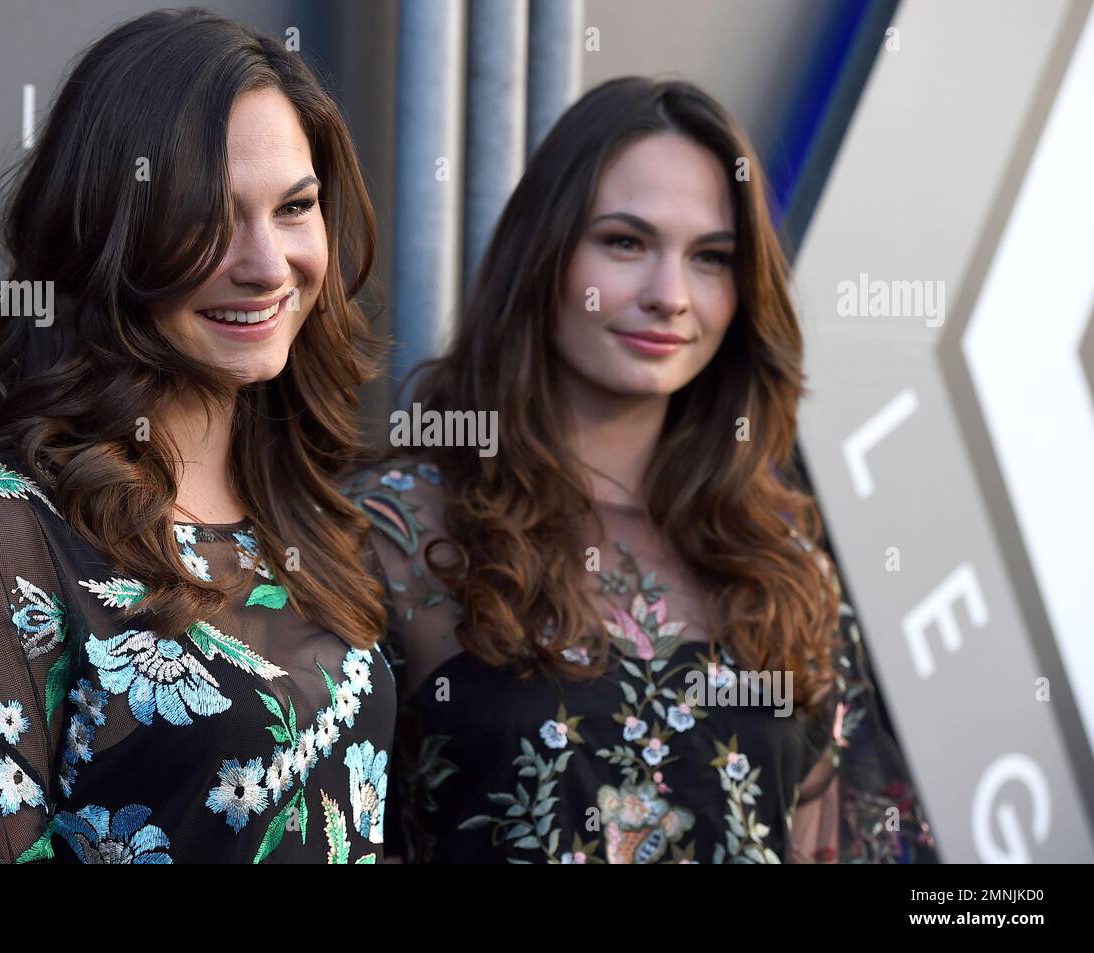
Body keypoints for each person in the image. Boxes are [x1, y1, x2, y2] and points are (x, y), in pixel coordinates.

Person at [0, 9, 393, 864]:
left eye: (295, 207)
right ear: (106, 232)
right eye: (206, 215)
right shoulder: (1, 535)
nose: (265, 263)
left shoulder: (312, 512)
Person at [344, 77, 937, 864]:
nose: (670, 296)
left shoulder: (782, 558)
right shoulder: (391, 533)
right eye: (625, 242)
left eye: (712, 258)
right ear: (544, 255)